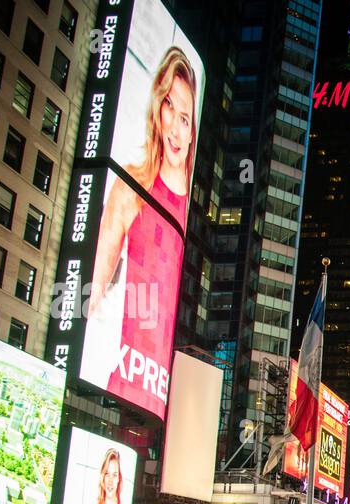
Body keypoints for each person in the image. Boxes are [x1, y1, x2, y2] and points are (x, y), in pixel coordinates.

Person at [87, 47, 197, 412]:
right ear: (157, 108)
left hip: (162, 398)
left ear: (193, 128)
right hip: (120, 387)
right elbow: (88, 299)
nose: (175, 127)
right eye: (169, 106)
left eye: (186, 118)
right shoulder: (130, 188)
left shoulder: (191, 213)